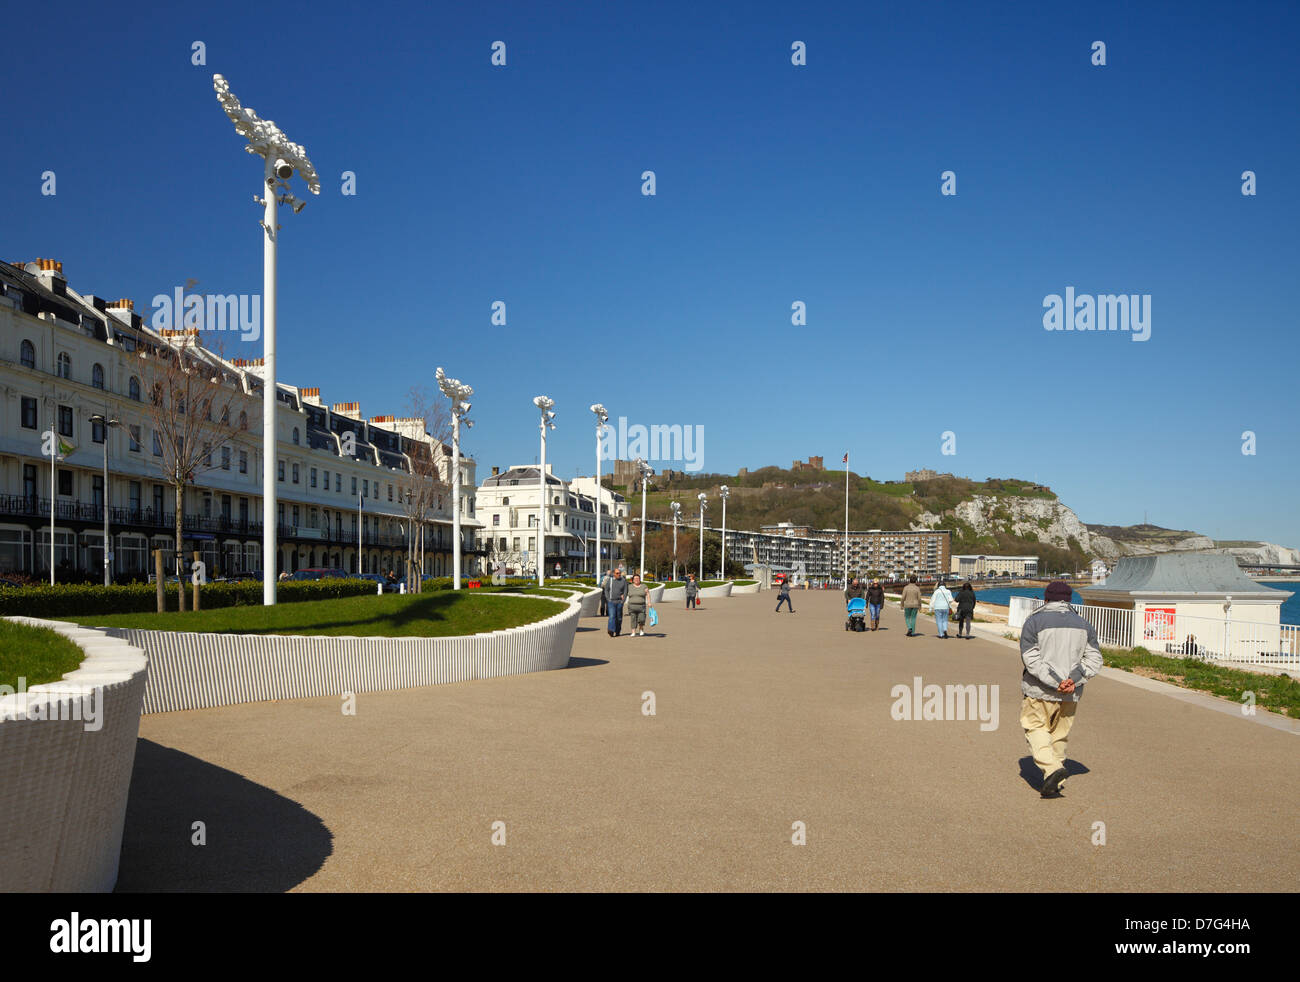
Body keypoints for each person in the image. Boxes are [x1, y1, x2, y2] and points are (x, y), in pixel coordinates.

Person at [1019, 580, 1102, 798]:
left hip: (1039, 690)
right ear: (1069, 600)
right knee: (1060, 735)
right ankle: (1055, 780)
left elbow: (1031, 658)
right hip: (1071, 693)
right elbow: (1094, 659)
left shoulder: (1033, 621)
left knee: (1035, 727)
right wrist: (1073, 680)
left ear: (1046, 599)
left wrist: (1056, 681)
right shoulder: (1085, 624)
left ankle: (1052, 769)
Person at [606, 567, 628, 637]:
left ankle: (617, 630)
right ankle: (611, 630)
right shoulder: (610, 580)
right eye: (617, 573)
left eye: (619, 573)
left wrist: (623, 601)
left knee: (619, 617)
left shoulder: (623, 581)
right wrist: (608, 599)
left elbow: (625, 591)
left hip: (619, 602)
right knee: (612, 616)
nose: (619, 574)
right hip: (611, 601)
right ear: (613, 574)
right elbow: (606, 590)